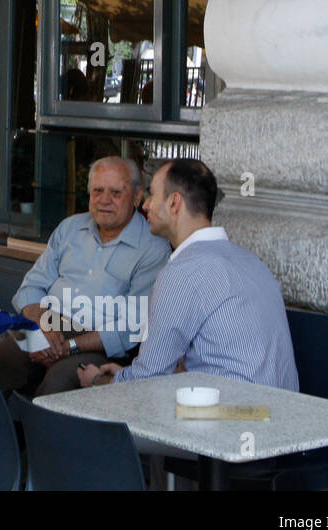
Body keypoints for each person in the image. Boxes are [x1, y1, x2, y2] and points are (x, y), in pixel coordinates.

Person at [77, 157, 298, 391]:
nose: (145, 205)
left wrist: (96, 381)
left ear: (174, 203)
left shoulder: (183, 272)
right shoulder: (250, 260)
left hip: (232, 415)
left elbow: (148, 379)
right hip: (280, 413)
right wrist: (129, 373)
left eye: (152, 195)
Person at [0, 156, 170, 397]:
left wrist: (66, 347)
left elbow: (130, 327)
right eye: (97, 191)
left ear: (136, 197)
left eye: (116, 193)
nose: (104, 200)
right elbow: (30, 288)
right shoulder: (69, 228)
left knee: (56, 387)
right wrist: (44, 324)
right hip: (49, 325)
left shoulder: (153, 248)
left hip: (98, 342)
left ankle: (32, 434)